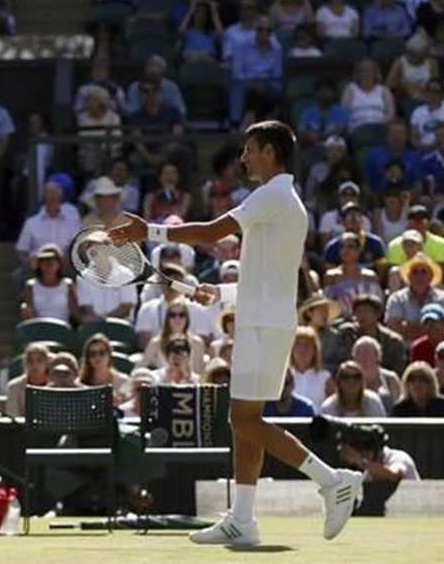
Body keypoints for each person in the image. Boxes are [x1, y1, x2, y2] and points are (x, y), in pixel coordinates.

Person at [108, 120, 363, 546]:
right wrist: (224, 293)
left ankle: (332, 479)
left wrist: (147, 231)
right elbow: (268, 275)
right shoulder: (284, 200)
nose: (243, 158)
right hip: (262, 317)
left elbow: (210, 233)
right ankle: (243, 518)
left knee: (244, 419)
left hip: (264, 324)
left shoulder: (274, 194)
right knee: (244, 420)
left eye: (249, 150)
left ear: (268, 151)